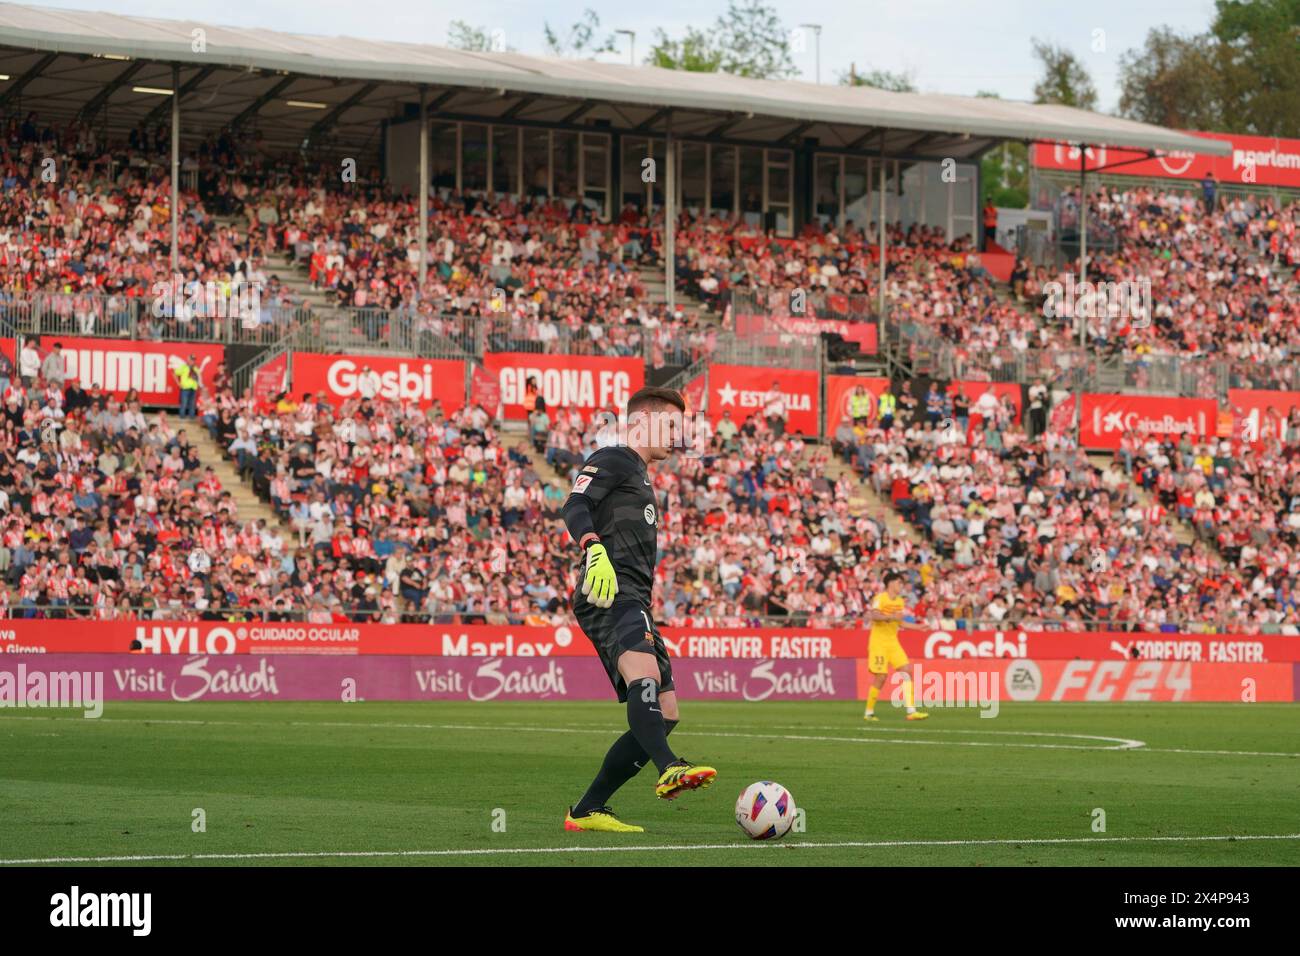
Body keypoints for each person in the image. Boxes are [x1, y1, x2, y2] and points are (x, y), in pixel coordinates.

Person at [561, 386, 716, 833]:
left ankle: (587, 809)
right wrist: (592, 548)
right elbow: (575, 504)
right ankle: (669, 767)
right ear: (641, 422)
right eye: (670, 426)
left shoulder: (641, 474)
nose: (677, 436)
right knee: (643, 679)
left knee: (667, 711)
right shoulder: (612, 457)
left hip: (635, 598)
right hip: (608, 592)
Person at [863, 571, 929, 722]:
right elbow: (874, 615)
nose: (901, 586)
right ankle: (868, 712)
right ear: (891, 583)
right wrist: (890, 617)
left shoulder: (899, 601)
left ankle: (911, 711)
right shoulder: (880, 598)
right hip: (878, 642)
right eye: (899, 583)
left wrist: (918, 627)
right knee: (881, 677)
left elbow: (899, 622)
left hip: (893, 642)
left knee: (907, 671)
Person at [174, 354, 199, 419]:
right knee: (184, 403)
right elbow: (175, 373)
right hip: (185, 388)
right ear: (188, 360)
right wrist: (178, 383)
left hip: (193, 388)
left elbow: (197, 378)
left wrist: (195, 378)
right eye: (191, 360)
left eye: (193, 360)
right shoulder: (184, 367)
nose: (192, 361)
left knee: (192, 404)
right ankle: (182, 417)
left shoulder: (196, 368)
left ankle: (192, 417)